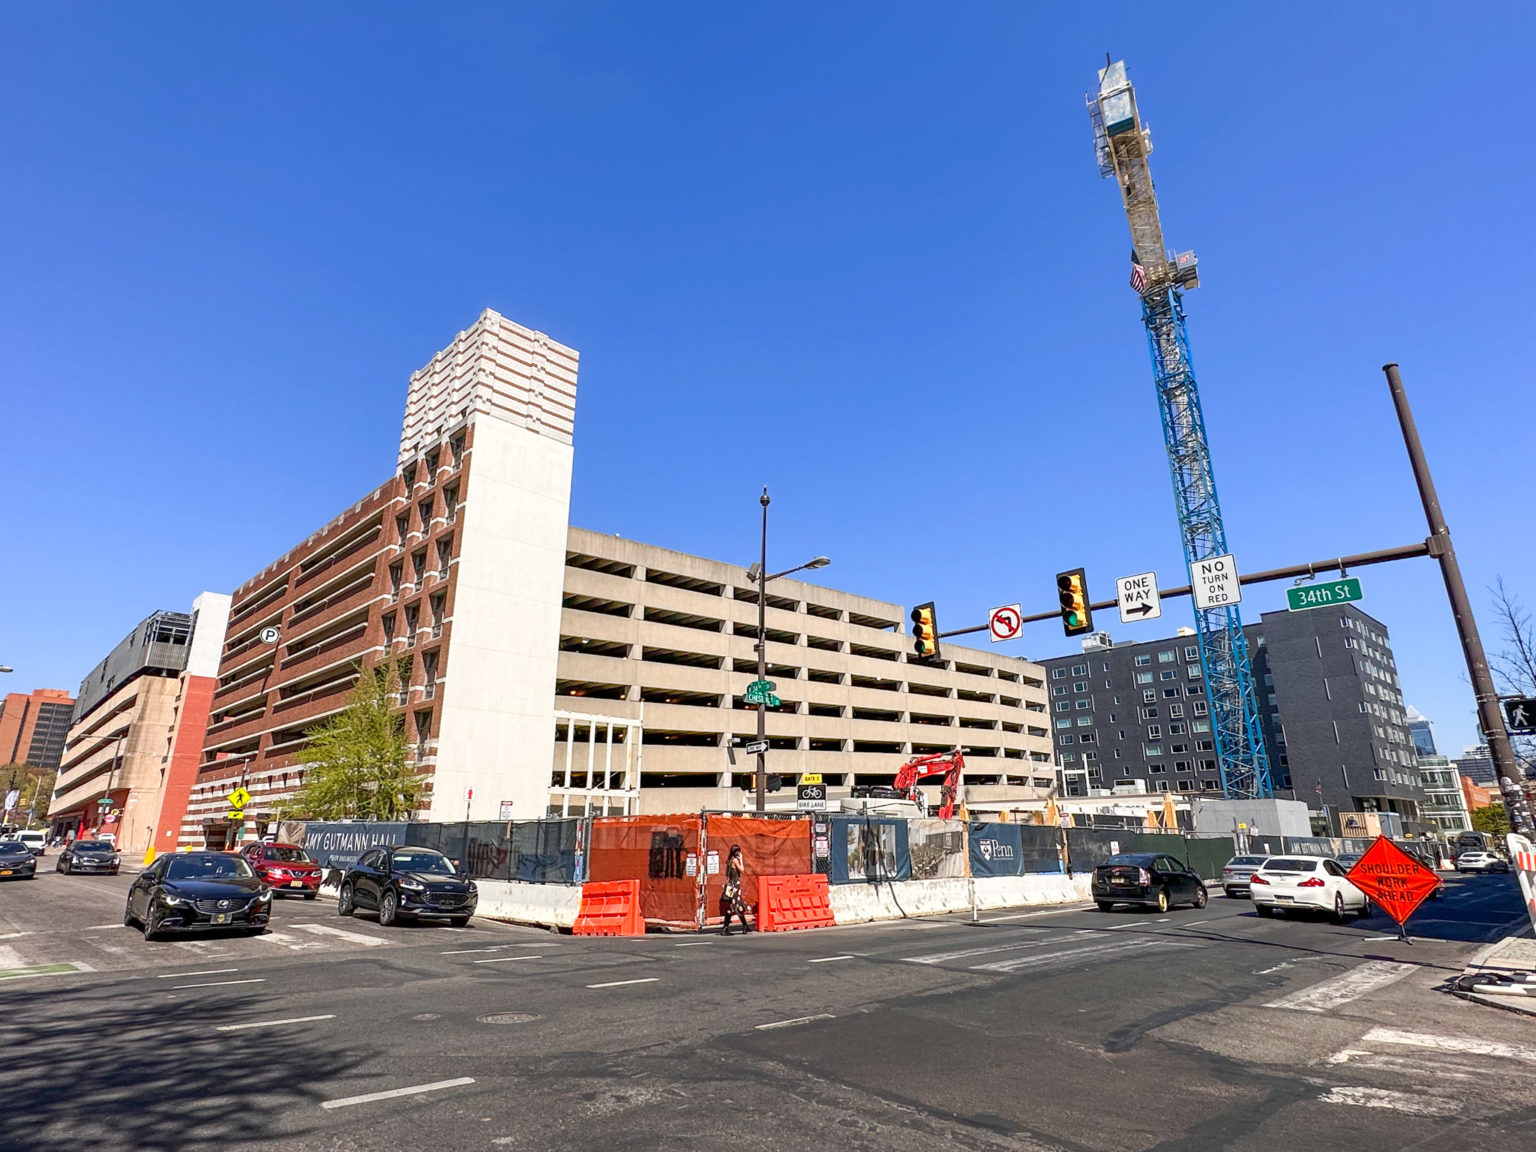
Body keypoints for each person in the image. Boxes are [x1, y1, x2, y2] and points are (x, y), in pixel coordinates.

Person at [721, 844, 751, 935]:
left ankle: (745, 926)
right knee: (735, 906)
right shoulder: (734, 860)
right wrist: (741, 859)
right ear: (737, 852)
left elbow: (728, 875)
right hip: (735, 886)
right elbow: (742, 870)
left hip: (731, 885)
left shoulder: (729, 861)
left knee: (737, 905)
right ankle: (725, 928)